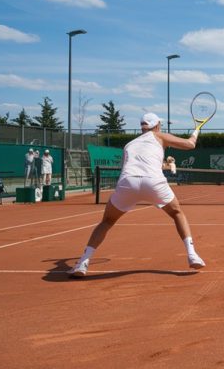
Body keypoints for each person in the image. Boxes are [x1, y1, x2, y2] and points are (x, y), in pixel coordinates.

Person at [69, 113, 205, 277]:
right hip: (153, 183)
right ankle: (192, 254)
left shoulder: (129, 144)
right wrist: (196, 130)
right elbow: (190, 144)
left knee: (107, 221)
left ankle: (82, 263)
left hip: (128, 182)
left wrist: (163, 164)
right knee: (177, 213)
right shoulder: (159, 135)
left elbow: (137, 164)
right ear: (157, 126)